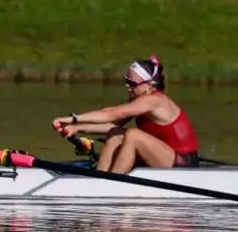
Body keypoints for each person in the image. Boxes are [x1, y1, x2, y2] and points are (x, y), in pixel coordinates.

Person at [53, 56, 199, 173]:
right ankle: (99, 179)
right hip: (162, 157)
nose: (127, 86)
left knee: (133, 135)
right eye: (126, 81)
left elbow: (112, 113)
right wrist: (77, 127)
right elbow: (112, 124)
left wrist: (73, 118)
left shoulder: (155, 100)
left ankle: (114, 183)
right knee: (116, 133)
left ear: (149, 85)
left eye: (132, 83)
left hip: (183, 163)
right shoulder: (139, 100)